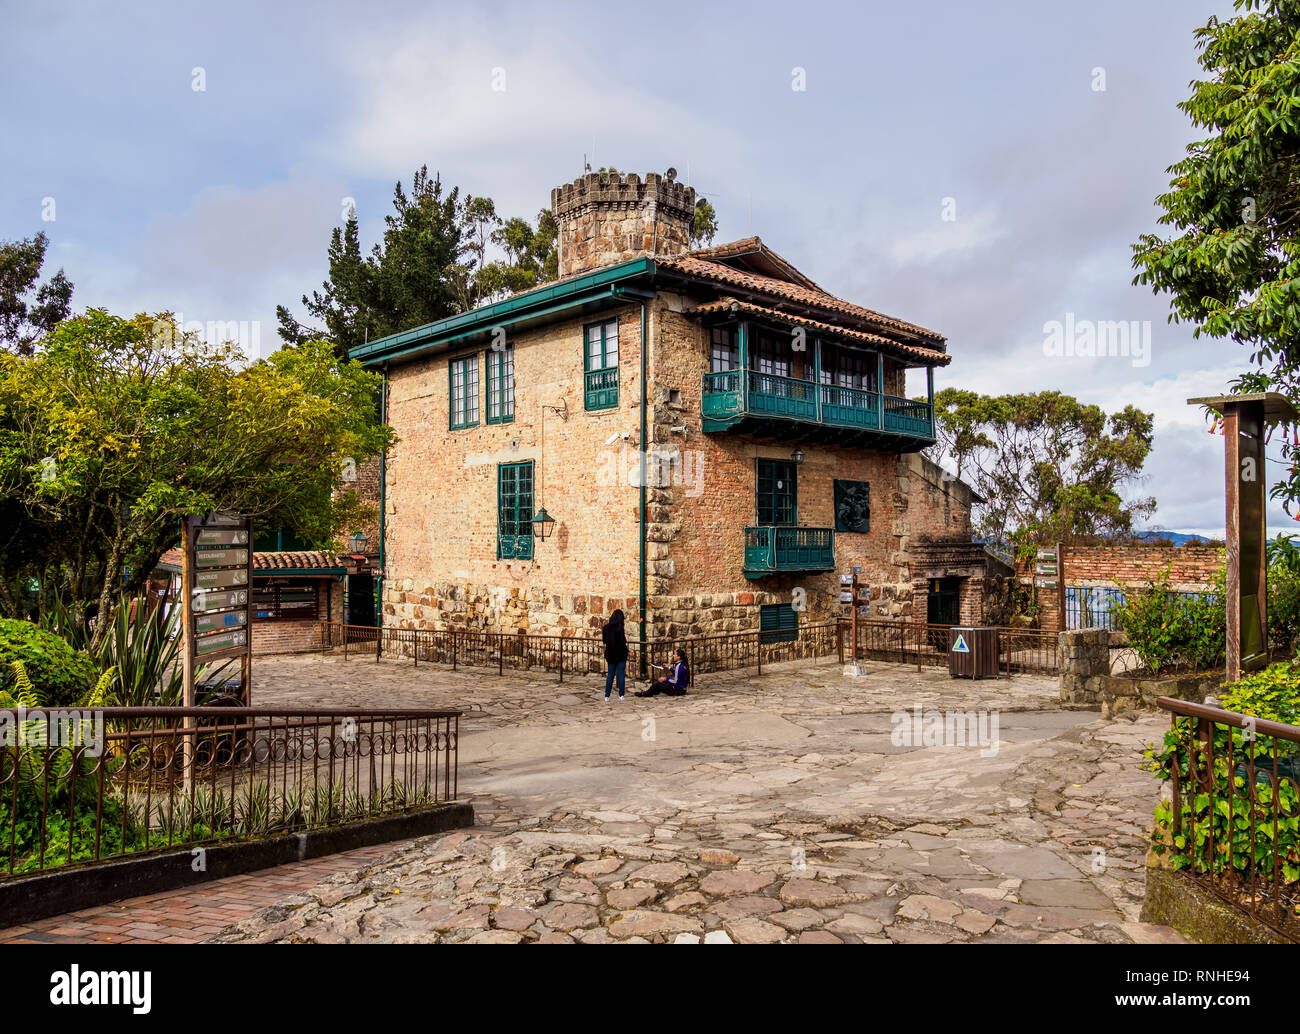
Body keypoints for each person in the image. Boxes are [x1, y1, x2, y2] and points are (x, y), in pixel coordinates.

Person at [602, 608, 629, 702]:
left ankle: (607, 695)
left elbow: (604, 641)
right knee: (621, 674)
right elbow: (623, 641)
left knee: (610, 675)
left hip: (611, 654)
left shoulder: (606, 628)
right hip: (621, 654)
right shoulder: (620, 628)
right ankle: (621, 695)